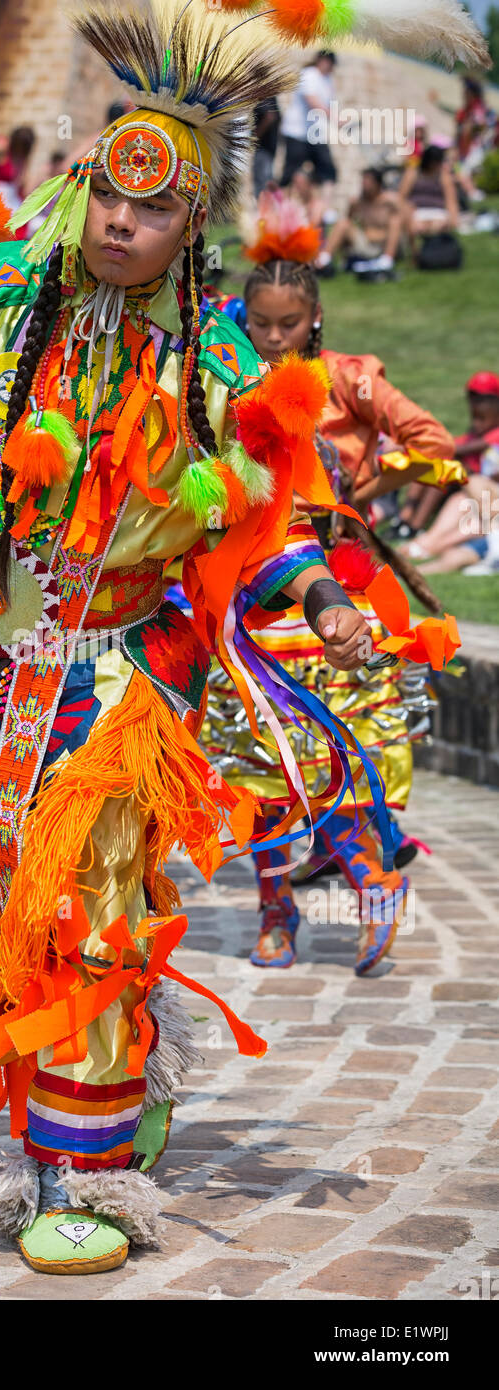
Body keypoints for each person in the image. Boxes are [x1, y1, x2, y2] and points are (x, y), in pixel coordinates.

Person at [0, 0, 478, 1279]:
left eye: (156, 207)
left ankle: (86, 1171)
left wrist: (333, 600)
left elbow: (267, 510)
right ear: (85, 182)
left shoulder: (217, 363)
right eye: (109, 194)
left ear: (193, 226)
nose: (122, 223)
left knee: (91, 910)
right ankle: (110, 1088)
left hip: (111, 682)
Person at [199, 189, 461, 973]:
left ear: (313, 318)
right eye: (262, 325)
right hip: (253, 594)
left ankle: (374, 887)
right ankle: (275, 912)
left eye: (289, 325)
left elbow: (435, 442)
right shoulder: (229, 380)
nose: (275, 338)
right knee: (259, 762)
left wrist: (363, 483)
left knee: (339, 759)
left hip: (333, 584)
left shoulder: (348, 379)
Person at [399, 373, 499, 570]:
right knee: (455, 488)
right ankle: (414, 532)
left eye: (482, 399)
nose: (476, 404)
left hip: (484, 496)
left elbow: (458, 449)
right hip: (473, 497)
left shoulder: (494, 434)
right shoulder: (474, 432)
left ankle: (420, 537)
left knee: (460, 476)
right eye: (473, 398)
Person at [316, 166, 403, 277]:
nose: (364, 184)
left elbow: (406, 223)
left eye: (368, 181)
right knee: (343, 223)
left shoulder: (390, 201)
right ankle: (323, 261)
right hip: (365, 244)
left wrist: (414, 251)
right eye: (363, 180)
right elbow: (348, 223)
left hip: (385, 245)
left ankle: (387, 261)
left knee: (395, 220)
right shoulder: (357, 202)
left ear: (377, 184)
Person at [279, 51, 338, 192]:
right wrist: (335, 118)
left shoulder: (328, 80)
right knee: (290, 173)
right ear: (321, 61)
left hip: (315, 135)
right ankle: (280, 203)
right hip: (297, 132)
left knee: (328, 172)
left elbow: (328, 105)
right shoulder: (309, 74)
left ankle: (322, 208)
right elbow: (312, 101)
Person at [398, 144, 460, 248]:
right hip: (415, 211)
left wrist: (453, 220)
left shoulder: (444, 176)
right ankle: (416, 251)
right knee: (415, 225)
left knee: (437, 225)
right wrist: (408, 211)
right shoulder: (413, 173)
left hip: (438, 212)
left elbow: (451, 200)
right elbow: (401, 198)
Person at [253, 96, 281, 198]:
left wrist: (255, 136)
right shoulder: (272, 97)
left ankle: (264, 209)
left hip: (264, 147)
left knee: (262, 183)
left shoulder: (265, 96)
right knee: (266, 181)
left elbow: (270, 117)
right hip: (268, 147)